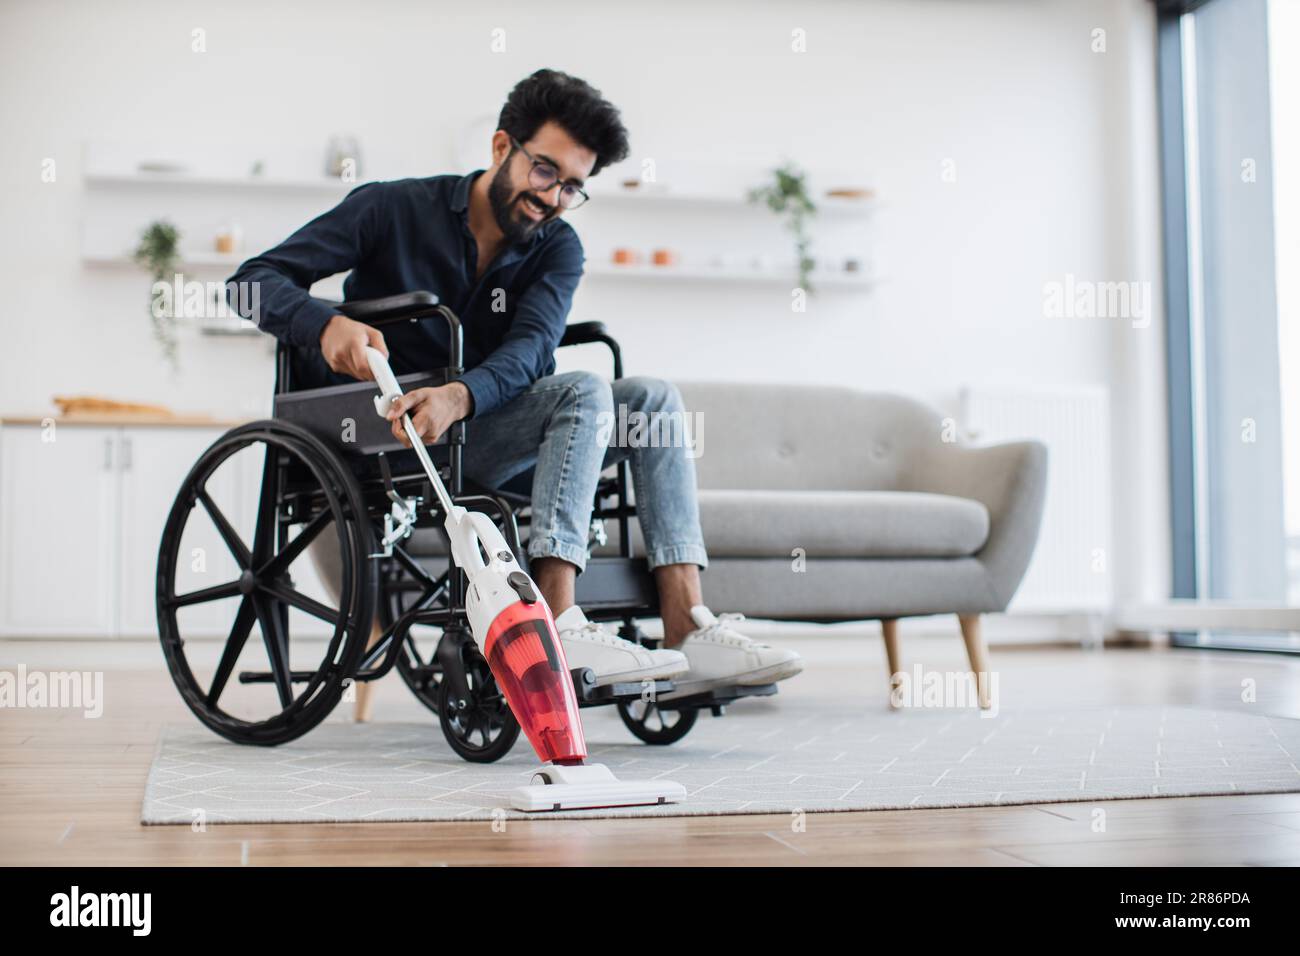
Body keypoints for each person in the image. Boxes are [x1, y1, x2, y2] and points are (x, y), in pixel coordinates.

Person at [229, 68, 802, 705]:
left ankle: (687, 626)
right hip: (391, 437)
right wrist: (324, 322)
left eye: (573, 187)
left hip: (484, 433)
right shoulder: (391, 207)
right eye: (545, 172)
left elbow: (532, 350)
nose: (554, 196)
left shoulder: (558, 248)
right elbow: (251, 281)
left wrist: (460, 397)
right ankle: (555, 623)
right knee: (584, 388)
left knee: (652, 400)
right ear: (502, 147)